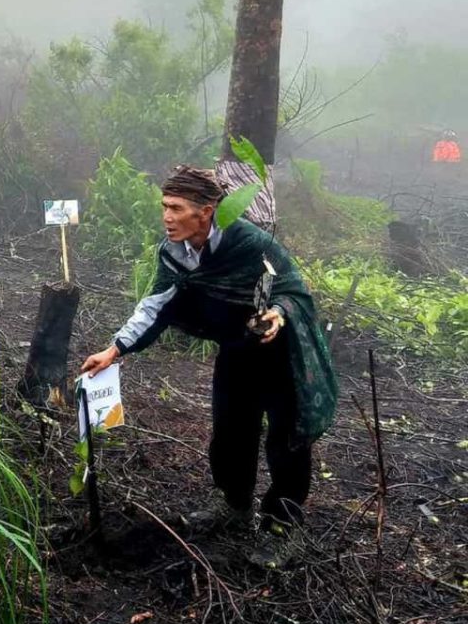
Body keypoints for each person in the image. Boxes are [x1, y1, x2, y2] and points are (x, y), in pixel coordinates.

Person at [79, 166, 338, 563]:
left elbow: (293, 290)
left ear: (206, 211)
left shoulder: (250, 242)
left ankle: (282, 525)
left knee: (286, 442)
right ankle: (234, 505)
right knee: (231, 431)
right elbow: (156, 304)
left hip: (281, 356)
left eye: (176, 208)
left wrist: (277, 314)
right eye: (164, 207)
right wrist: (114, 350)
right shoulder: (174, 253)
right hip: (237, 351)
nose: (166, 217)